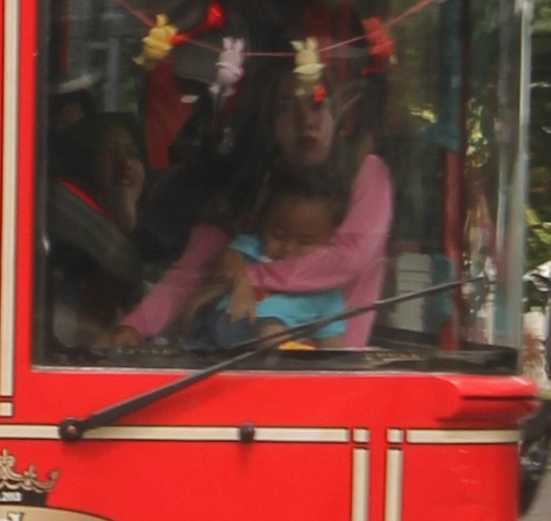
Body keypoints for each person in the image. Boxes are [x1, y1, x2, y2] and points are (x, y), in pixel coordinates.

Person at [123, 42, 394, 353]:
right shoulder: (252, 195)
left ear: (336, 113)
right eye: (285, 107)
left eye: (317, 102)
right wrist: (133, 327)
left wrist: (240, 273)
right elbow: (190, 273)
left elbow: (346, 259)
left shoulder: (365, 174)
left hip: (330, 373)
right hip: (237, 369)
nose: (306, 120)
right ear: (266, 123)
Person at [47, 101, 146, 353]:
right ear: (86, 163)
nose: (125, 163)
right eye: (111, 153)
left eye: (131, 151)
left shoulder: (158, 227)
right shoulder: (65, 217)